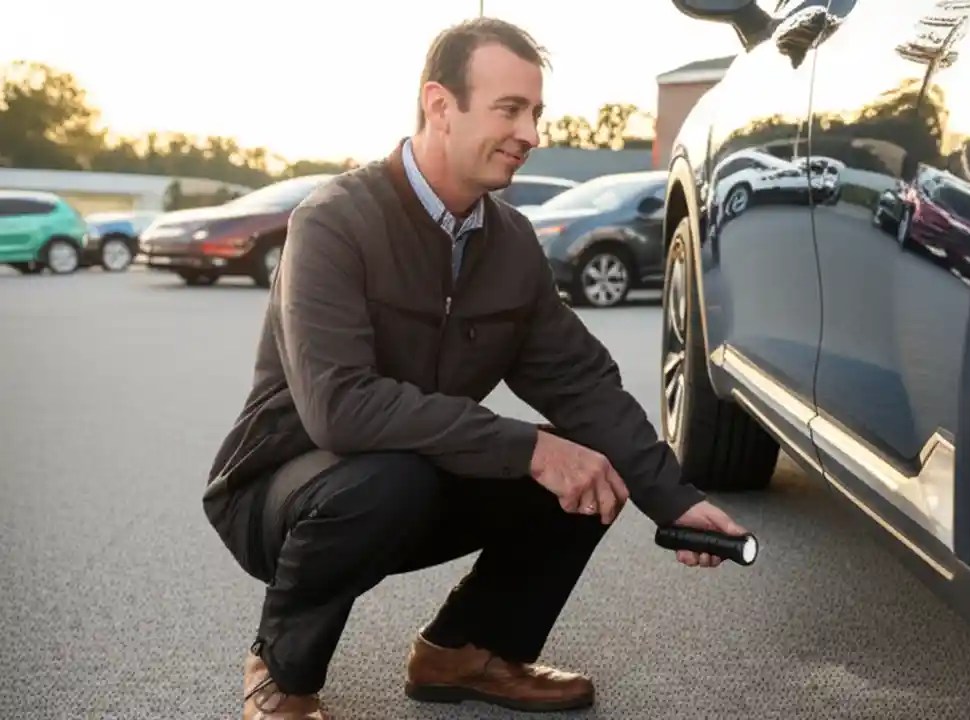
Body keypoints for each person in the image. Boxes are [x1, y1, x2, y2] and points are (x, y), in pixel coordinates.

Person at [201, 16, 750, 720]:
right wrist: (527, 446)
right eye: (510, 110)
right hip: (288, 487)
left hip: (417, 475)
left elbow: (581, 382)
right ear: (440, 106)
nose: (531, 133)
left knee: (586, 471)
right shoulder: (334, 222)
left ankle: (465, 650)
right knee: (393, 477)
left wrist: (673, 498)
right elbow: (339, 408)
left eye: (536, 112)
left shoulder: (511, 243)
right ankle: (282, 671)